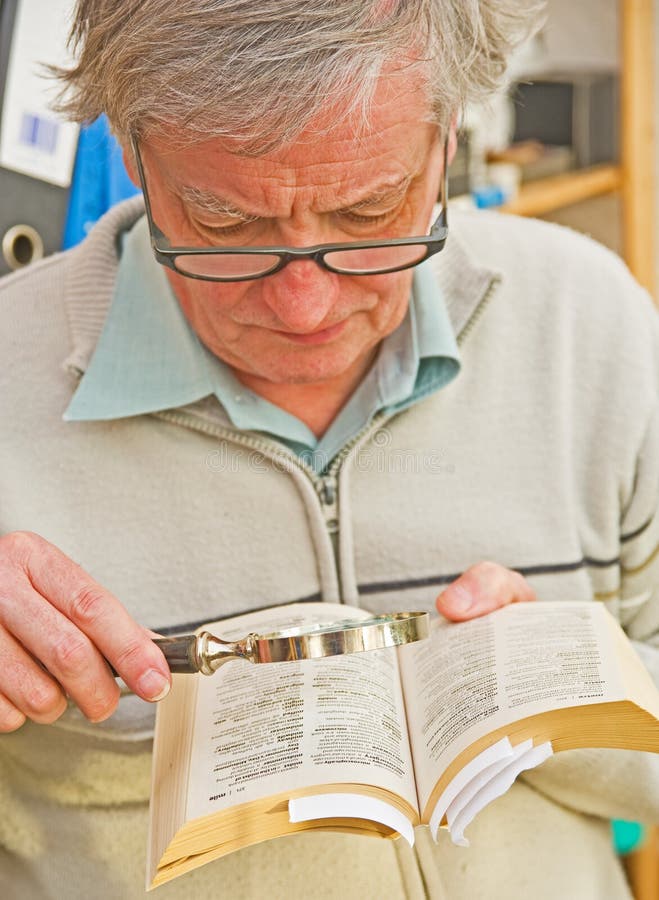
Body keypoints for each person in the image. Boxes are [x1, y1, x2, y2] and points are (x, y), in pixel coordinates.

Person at [0, 1, 658, 897]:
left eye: (368, 211)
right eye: (224, 224)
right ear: (131, 150)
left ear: (445, 142)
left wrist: (565, 683)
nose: (306, 308)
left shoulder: (589, 322)